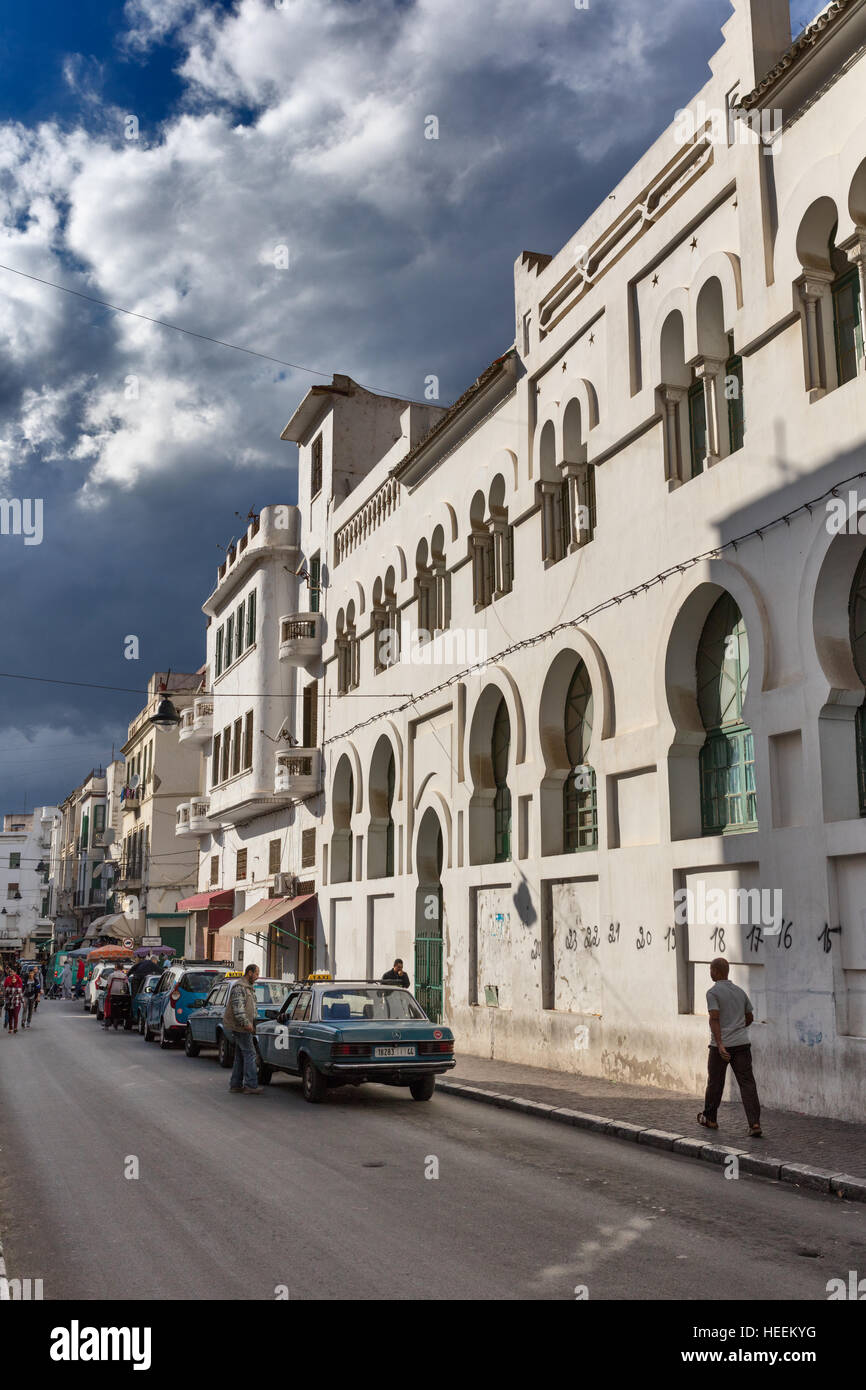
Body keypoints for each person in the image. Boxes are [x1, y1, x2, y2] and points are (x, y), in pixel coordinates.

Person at [698, 957, 762, 1137]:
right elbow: (749, 1016)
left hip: (721, 1047)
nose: (710, 973)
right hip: (742, 1044)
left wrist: (720, 1044)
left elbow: (714, 1018)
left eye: (711, 970)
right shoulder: (740, 992)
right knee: (747, 1084)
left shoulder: (713, 993)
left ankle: (710, 1118)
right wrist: (738, 1030)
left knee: (715, 1083)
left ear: (717, 972)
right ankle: (755, 1123)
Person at [223, 964, 262, 1094]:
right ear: (249, 973)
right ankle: (251, 1085)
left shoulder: (248, 988)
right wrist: (246, 1023)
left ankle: (235, 1084)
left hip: (244, 1026)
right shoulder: (240, 987)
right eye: (256, 973)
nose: (257, 977)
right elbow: (238, 1008)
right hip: (241, 1027)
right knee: (250, 1054)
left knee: (240, 1055)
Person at [4, 968, 23, 1034]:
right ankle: (10, 1028)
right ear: (11, 980)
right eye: (13, 979)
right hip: (9, 1003)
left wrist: (23, 1002)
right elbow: (6, 995)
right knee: (10, 1016)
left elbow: (21, 995)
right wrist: (6, 1002)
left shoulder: (18, 987)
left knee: (16, 1015)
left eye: (15, 979)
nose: (14, 980)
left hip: (17, 1003)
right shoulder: (8, 987)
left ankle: (15, 1028)